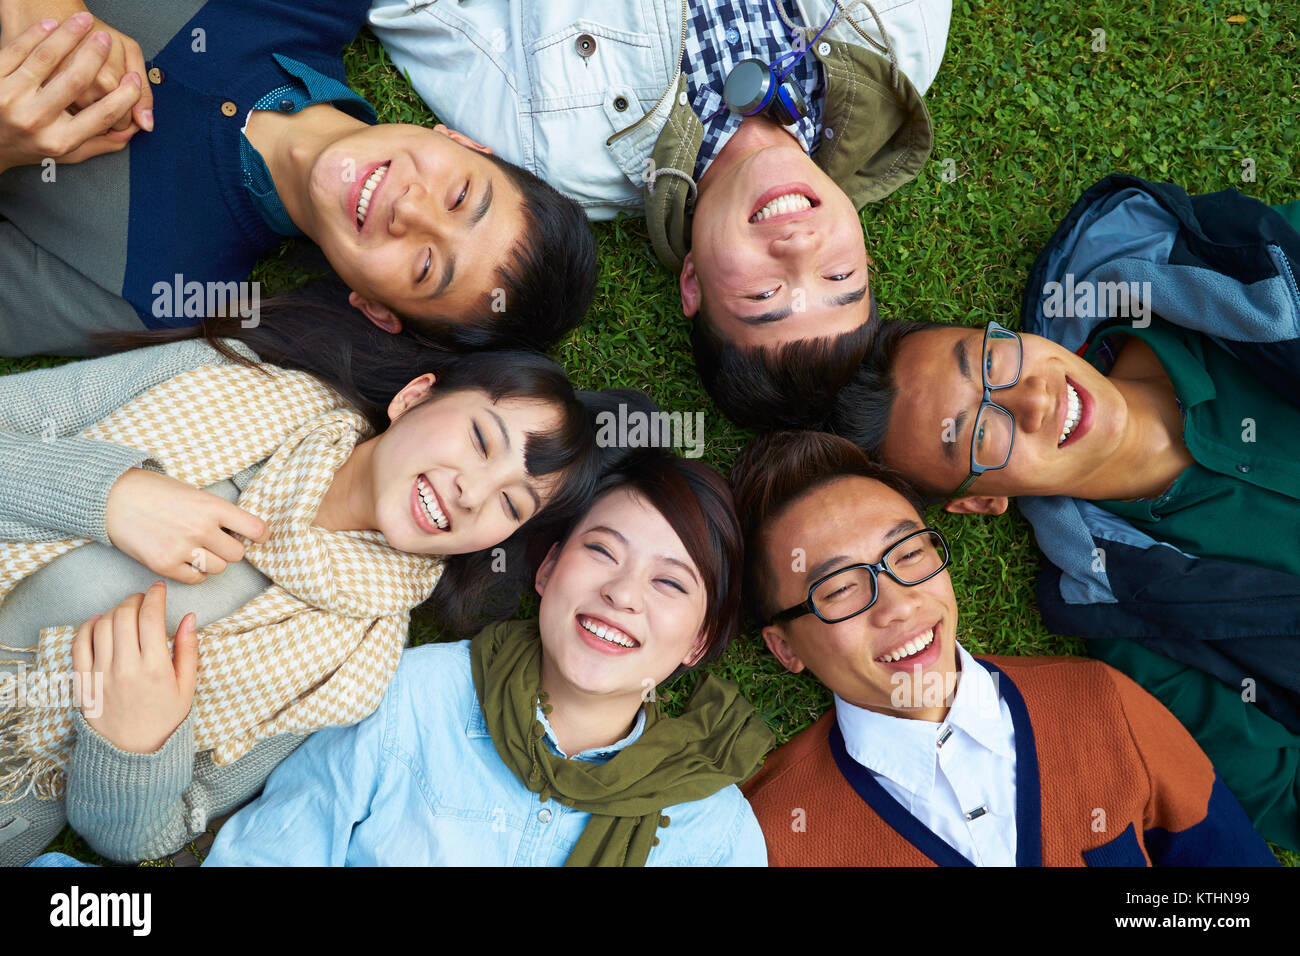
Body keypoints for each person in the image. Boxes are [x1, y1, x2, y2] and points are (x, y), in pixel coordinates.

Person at [0, 313, 627, 866]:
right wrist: (109, 498)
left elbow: (143, 837)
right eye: (481, 440)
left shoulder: (353, 669)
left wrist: (135, 747)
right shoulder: (231, 385)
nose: (472, 493)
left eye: (510, 504)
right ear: (414, 398)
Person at [822, 175, 1300, 849]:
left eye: (992, 361)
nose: (1033, 400)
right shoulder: (1135, 628)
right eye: (980, 433)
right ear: (984, 500)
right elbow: (1283, 791)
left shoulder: (1223, 271)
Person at [368, 0, 950, 427]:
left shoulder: (563, 154)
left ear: (692, 281)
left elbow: (413, 10)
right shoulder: (899, 41)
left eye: (765, 295)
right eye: (839, 278)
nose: (799, 247)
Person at [194, 451, 773, 866]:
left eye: (670, 584)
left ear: (700, 640)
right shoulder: (410, 697)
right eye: (602, 550)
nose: (622, 594)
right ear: (547, 569)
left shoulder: (713, 832)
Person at [729, 430, 1278, 866]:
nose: (897, 605)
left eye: (908, 553)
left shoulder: (1101, 703)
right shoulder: (768, 836)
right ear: (785, 649)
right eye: (840, 588)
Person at [0, 0, 595, 357]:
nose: (411, 211)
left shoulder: (155, 291)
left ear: (375, 310)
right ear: (460, 139)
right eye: (461, 195)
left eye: (425, 266)